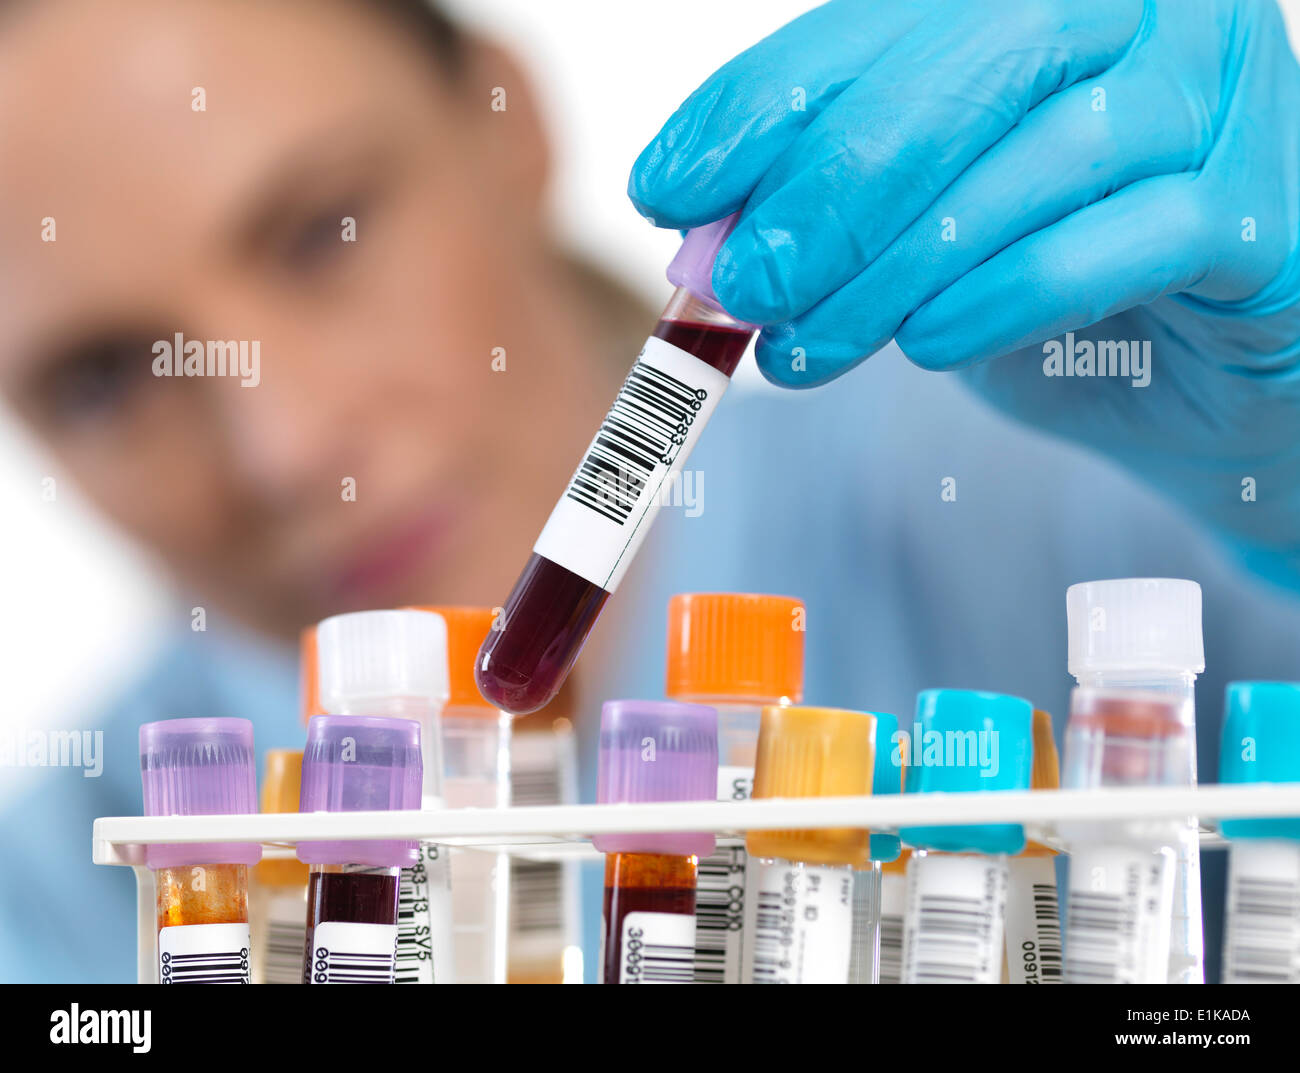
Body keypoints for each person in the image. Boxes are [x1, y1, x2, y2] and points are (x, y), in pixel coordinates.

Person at [0, 0, 1297, 983]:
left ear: (507, 122)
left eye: (323, 230)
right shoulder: (64, 887)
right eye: (109, 377)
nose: (282, 445)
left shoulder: (1086, 480)